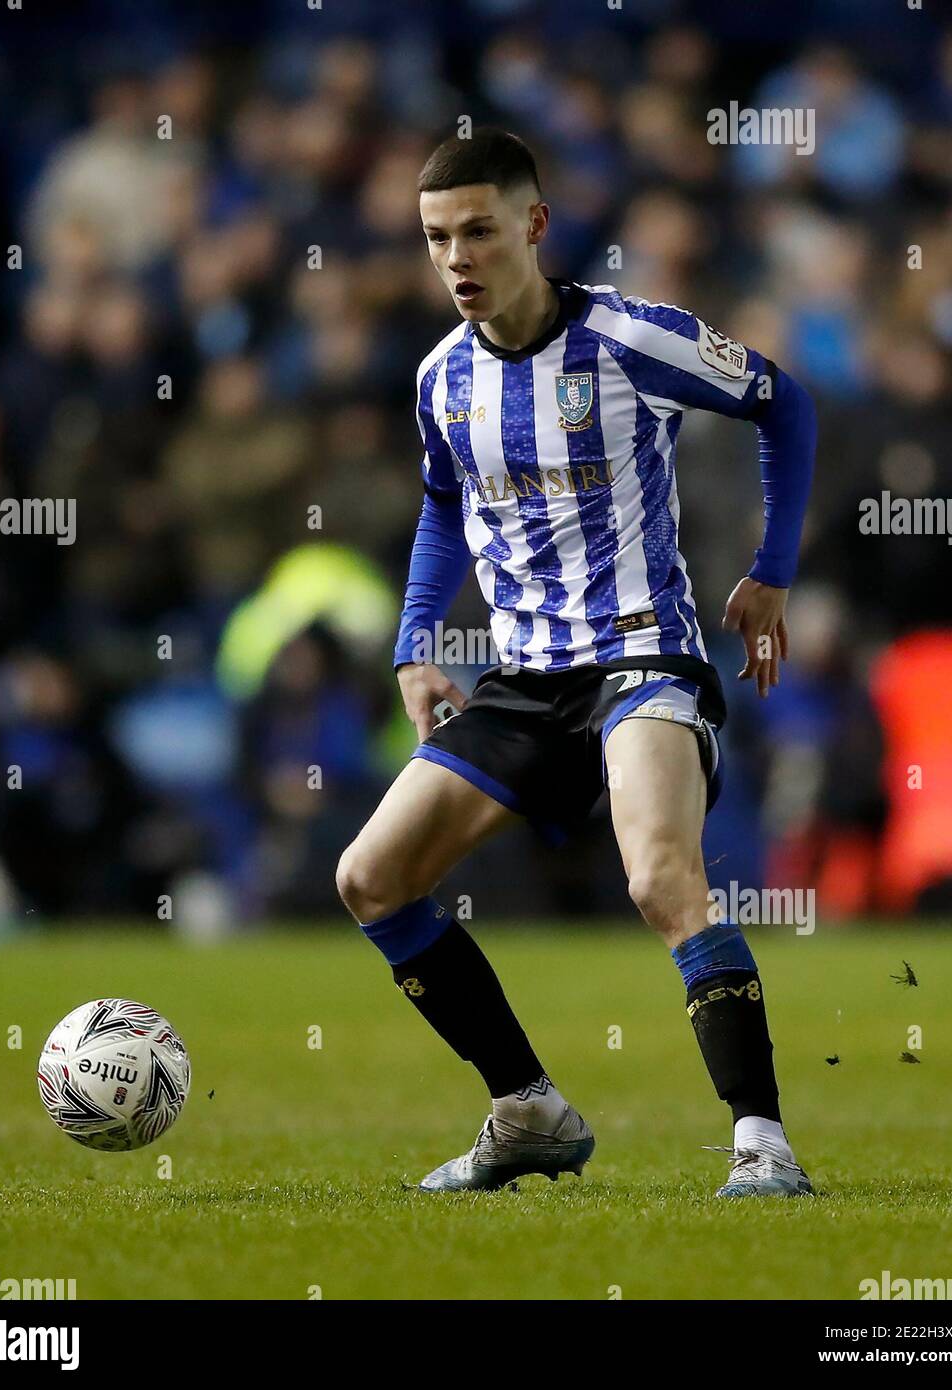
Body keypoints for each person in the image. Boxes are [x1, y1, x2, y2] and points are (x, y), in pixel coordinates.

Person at [337, 129, 817, 1197]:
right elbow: (442, 504)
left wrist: (771, 571)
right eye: (434, 239)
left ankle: (762, 1145)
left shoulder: (630, 339)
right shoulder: (440, 378)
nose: (456, 258)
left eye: (477, 230)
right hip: (525, 678)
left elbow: (784, 404)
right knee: (369, 877)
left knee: (659, 876)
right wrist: (416, 641)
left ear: (534, 226)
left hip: (641, 656)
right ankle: (528, 1108)